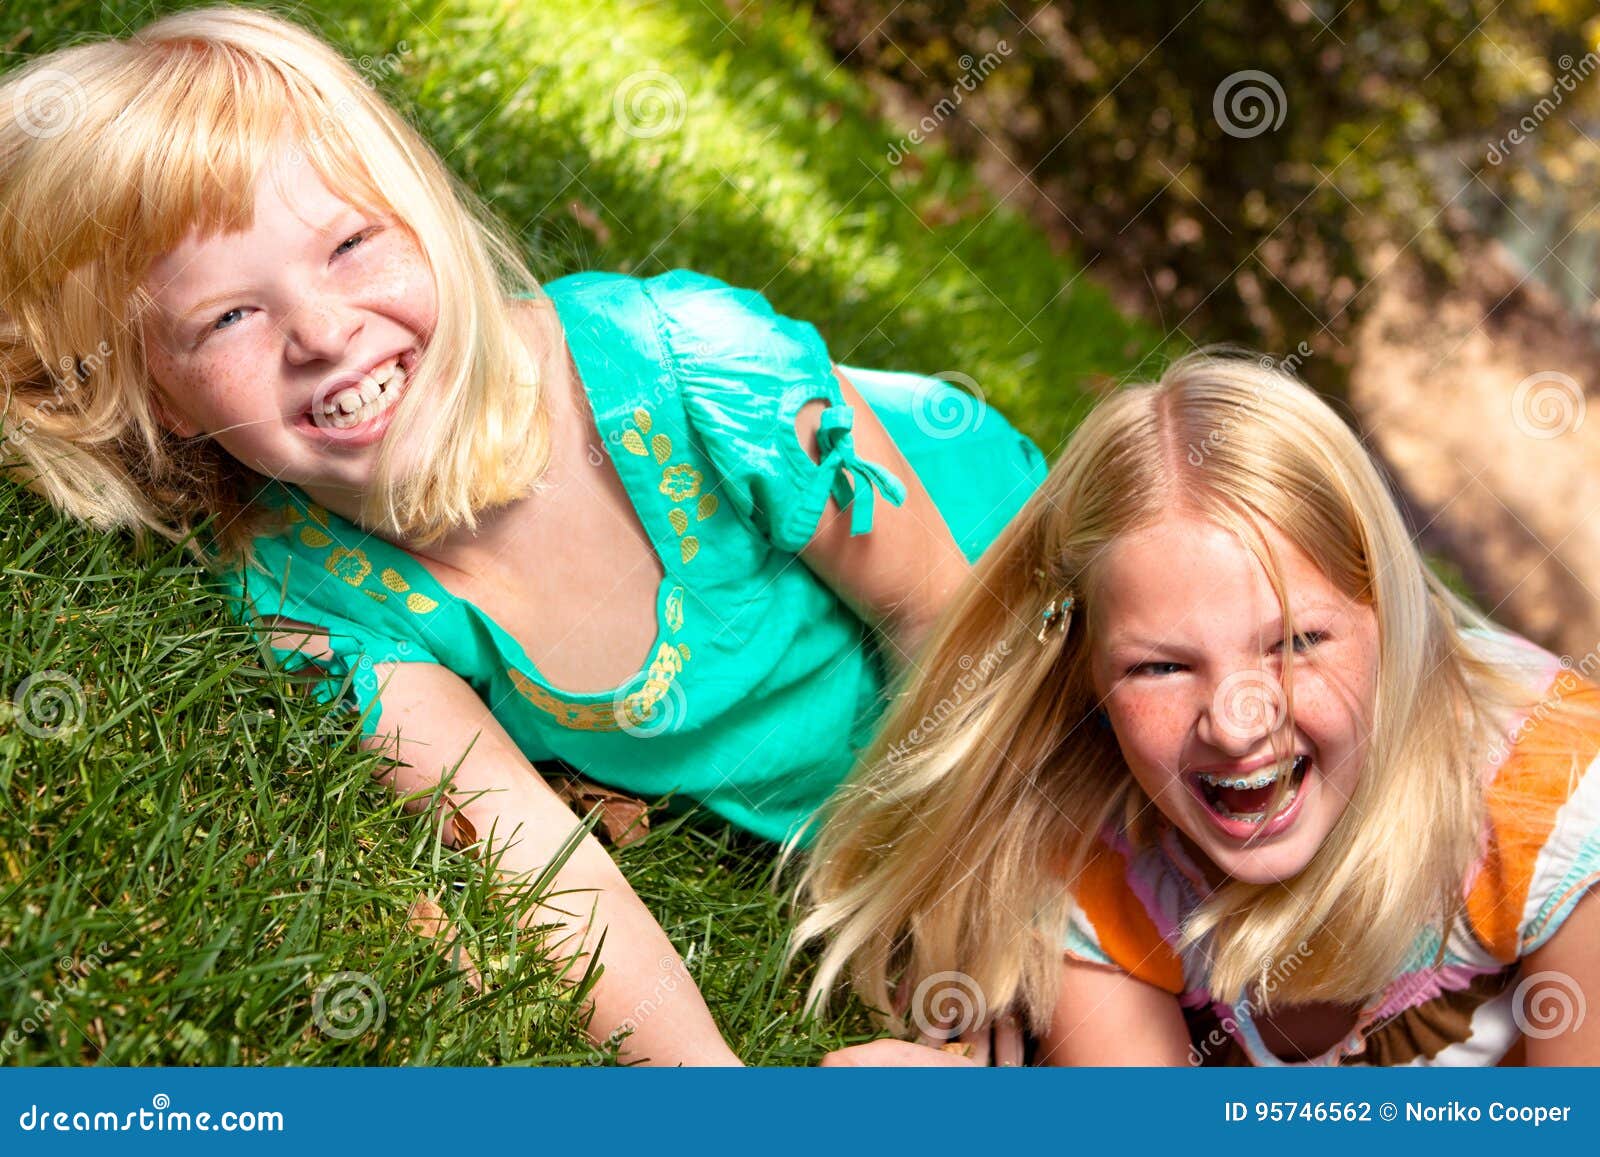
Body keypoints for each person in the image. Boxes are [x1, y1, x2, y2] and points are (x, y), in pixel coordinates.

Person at [0, 4, 1046, 1065]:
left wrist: (981, 885)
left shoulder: (696, 370)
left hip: (1018, 637)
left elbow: (943, 619)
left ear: (423, 216)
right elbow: (548, 867)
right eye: (227, 317)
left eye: (350, 244)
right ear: (162, 399)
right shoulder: (320, 593)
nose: (320, 333)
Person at [792, 349, 1600, 1066]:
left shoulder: (1555, 802)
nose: (1237, 720)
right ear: (1087, 678)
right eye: (1161, 666)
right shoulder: (1095, 829)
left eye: (1296, 642)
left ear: (1393, 618)